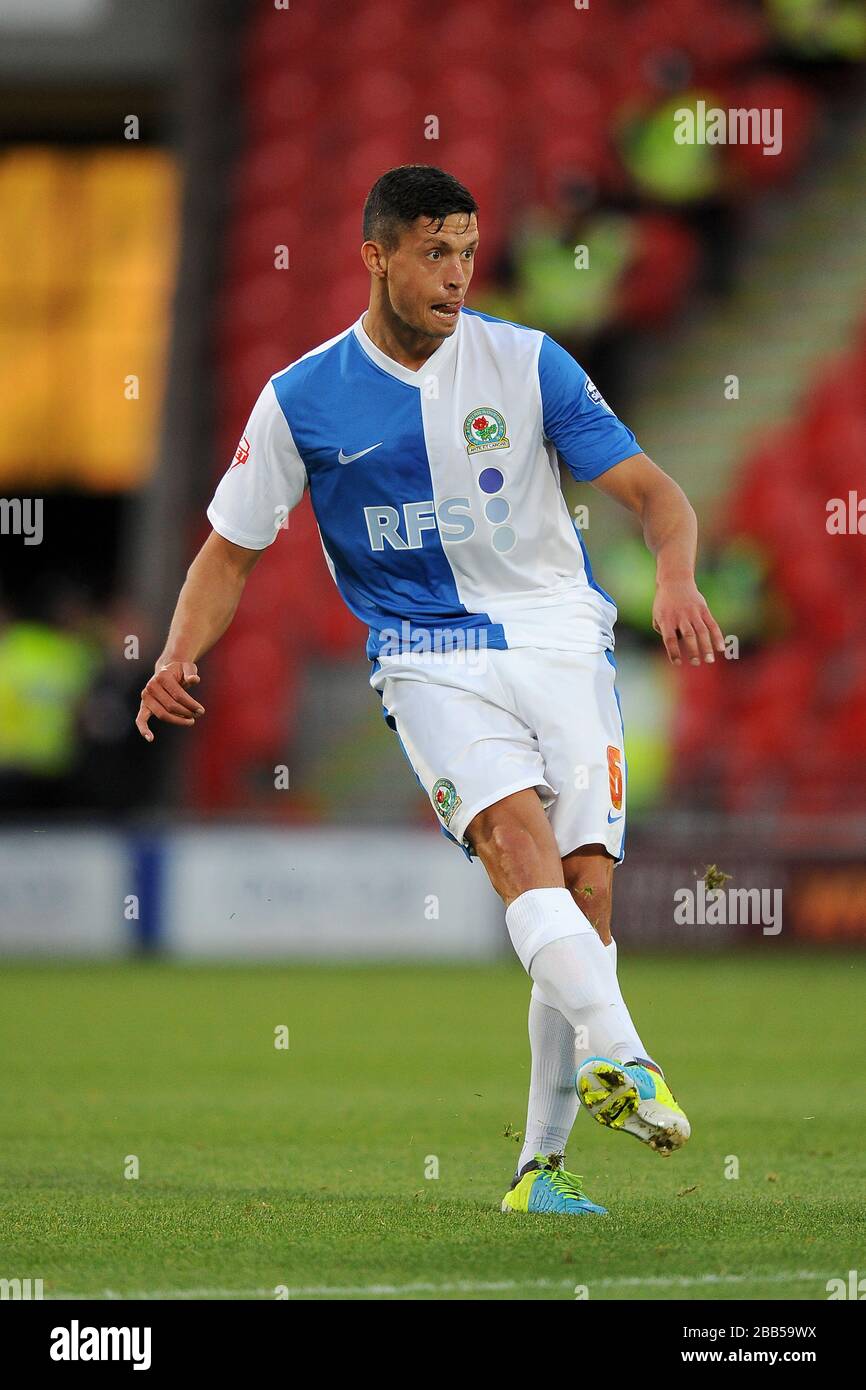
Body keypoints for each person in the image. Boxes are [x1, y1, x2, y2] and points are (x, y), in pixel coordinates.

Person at [136, 165, 725, 1216]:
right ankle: (628, 1058)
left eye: (465, 250)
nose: (457, 274)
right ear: (375, 255)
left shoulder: (528, 361)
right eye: (433, 252)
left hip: (556, 635)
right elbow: (229, 554)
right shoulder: (302, 400)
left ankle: (540, 1169)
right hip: (423, 652)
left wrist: (673, 573)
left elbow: (652, 493)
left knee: (586, 886)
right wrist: (177, 653)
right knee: (512, 842)